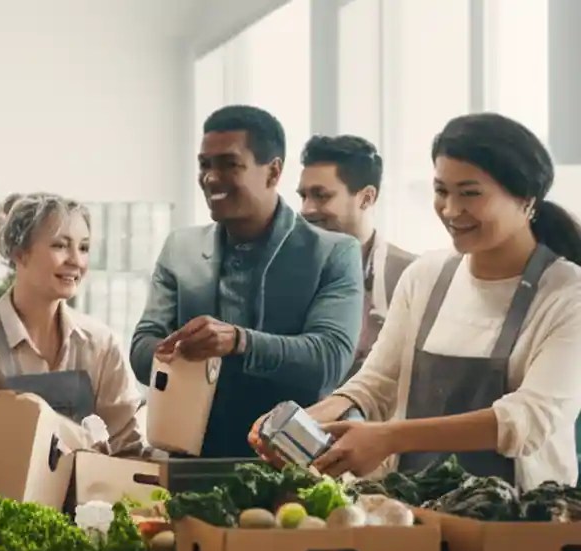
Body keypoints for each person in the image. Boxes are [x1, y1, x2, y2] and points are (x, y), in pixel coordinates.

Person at [253, 113, 581, 495]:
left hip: (520, 521)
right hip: (413, 512)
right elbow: (377, 384)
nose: (451, 209)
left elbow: (527, 419)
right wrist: (304, 422)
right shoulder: (426, 277)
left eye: (470, 193)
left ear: (525, 199)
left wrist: (390, 437)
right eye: (442, 190)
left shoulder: (565, 294)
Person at [131, 105, 364, 458]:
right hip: (187, 460)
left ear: (273, 172)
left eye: (228, 164)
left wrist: (239, 342)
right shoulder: (181, 248)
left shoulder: (333, 252)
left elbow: (329, 359)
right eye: (205, 165)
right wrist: (180, 351)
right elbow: (140, 348)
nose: (210, 177)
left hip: (288, 467)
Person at [0, 192, 144, 451]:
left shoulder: (101, 343)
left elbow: (127, 446)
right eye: (60, 245)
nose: (76, 260)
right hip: (5, 491)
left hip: (93, 491)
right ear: (20, 254)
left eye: (83, 248)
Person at [298, 135, 416, 377]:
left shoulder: (410, 275)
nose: (306, 209)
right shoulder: (285, 268)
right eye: (303, 196)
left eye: (321, 196)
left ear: (366, 198)